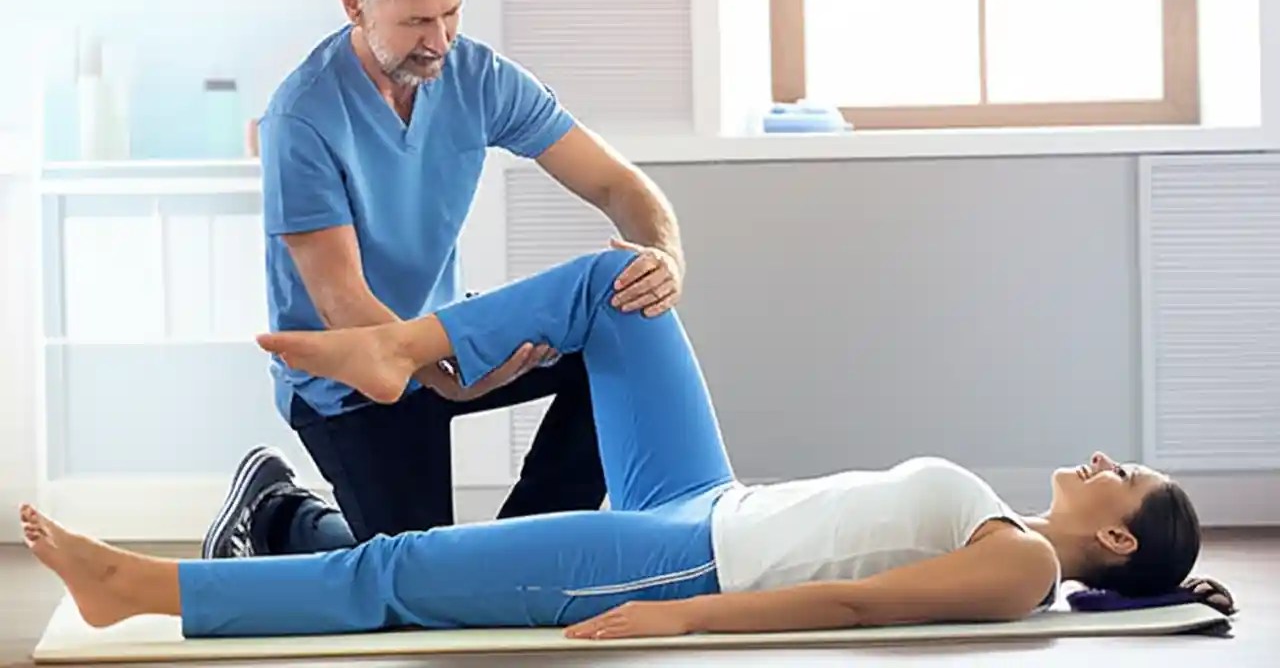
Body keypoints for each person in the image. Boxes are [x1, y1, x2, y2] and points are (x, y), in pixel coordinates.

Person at [21, 249, 1227, 641]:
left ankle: (140, 587)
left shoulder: (1019, 565)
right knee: (622, 285)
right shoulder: (1003, 522)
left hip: (682, 561)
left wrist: (679, 618)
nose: (1097, 454)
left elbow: (857, 608)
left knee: (403, 568)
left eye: (1119, 472)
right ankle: (399, 348)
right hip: (706, 493)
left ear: (1114, 533)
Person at [201, 0, 690, 559]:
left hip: (445, 333)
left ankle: (520, 549)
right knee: (414, 578)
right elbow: (340, 300)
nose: (438, 41)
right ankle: (282, 514)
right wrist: (434, 370)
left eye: (450, 14)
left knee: (623, 328)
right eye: (414, 23)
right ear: (354, 5)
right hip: (350, 376)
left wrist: (663, 255)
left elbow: (618, 184)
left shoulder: (478, 76)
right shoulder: (302, 117)